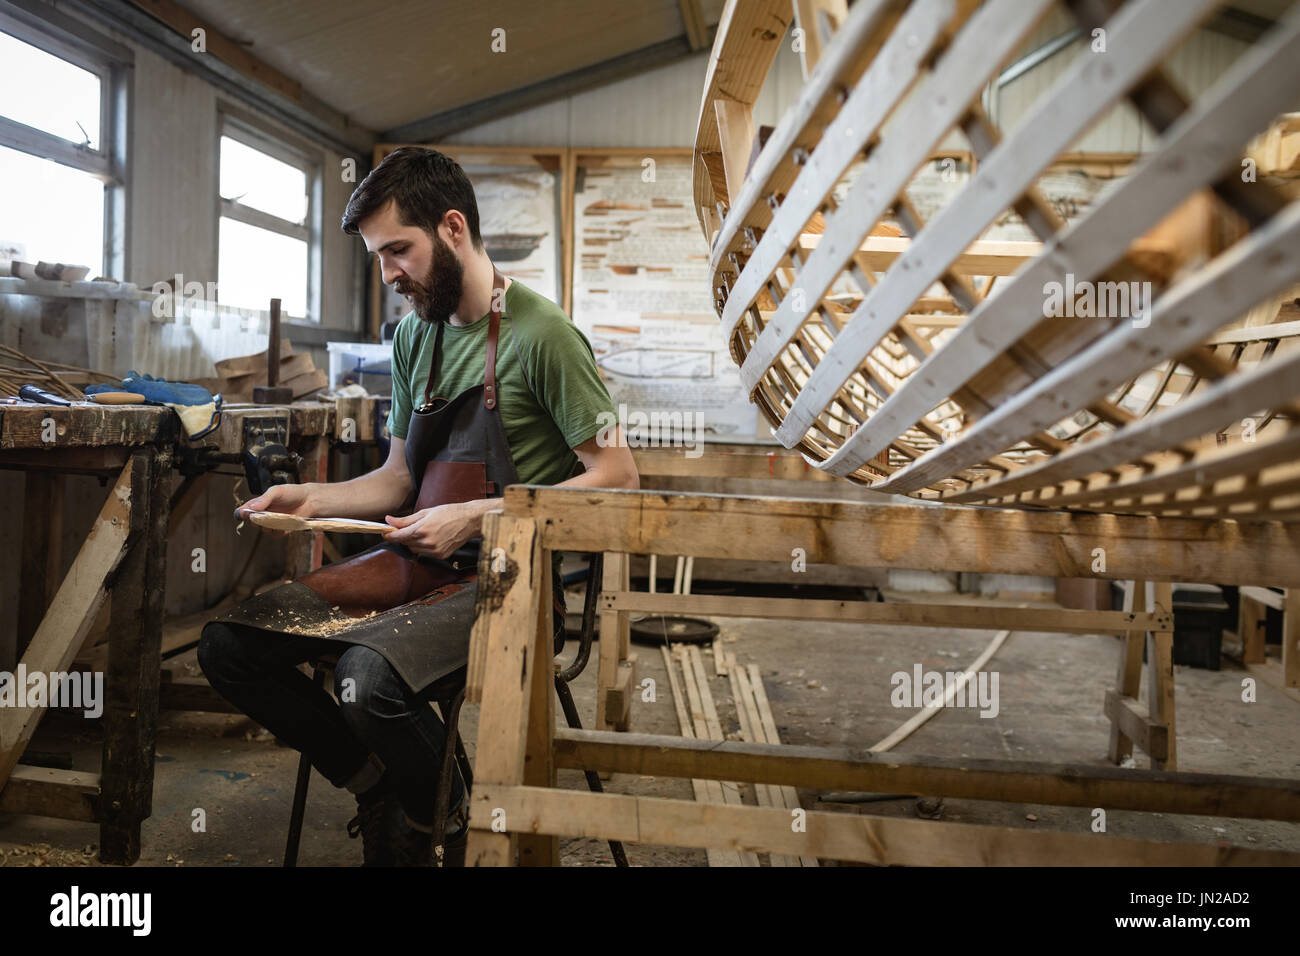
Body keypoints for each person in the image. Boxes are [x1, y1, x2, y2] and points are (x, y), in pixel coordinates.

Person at [198, 147, 639, 866]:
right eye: (379, 256)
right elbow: (397, 480)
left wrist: (479, 515)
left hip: (510, 582)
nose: (389, 275)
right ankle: (391, 789)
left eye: (398, 250)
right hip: (418, 566)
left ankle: (444, 816)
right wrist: (313, 497)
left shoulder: (545, 335)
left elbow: (619, 477)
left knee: (364, 680)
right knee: (230, 646)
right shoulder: (413, 337)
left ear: (453, 228)